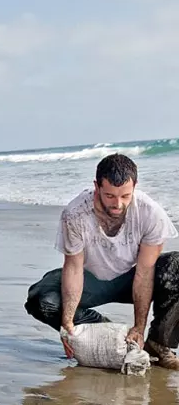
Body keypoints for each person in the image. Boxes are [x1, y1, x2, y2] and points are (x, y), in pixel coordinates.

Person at [24, 154, 179, 369]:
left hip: (132, 278)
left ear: (135, 186)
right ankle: (105, 332)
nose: (118, 204)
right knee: (41, 300)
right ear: (96, 187)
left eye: (125, 196)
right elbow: (74, 268)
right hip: (91, 280)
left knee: (177, 266)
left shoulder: (150, 213)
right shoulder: (75, 213)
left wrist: (139, 327)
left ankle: (158, 343)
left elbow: (145, 273)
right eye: (109, 195)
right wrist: (67, 323)